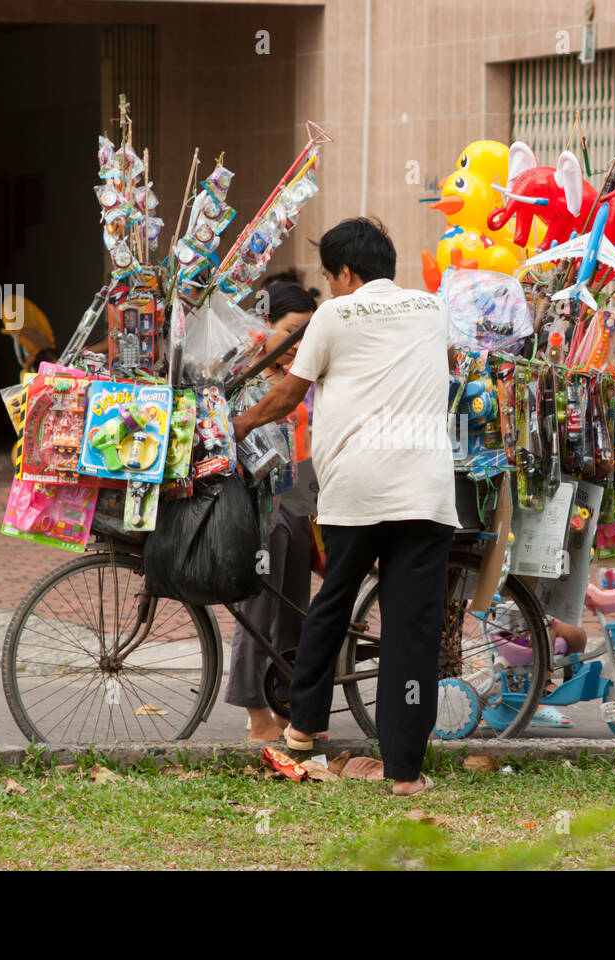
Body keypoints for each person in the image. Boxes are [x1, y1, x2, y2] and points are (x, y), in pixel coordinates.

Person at [232, 218, 458, 797]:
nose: (331, 288)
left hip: (354, 490)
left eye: (331, 276)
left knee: (331, 604)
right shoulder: (433, 309)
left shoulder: (335, 314)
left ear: (348, 273)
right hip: (424, 494)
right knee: (412, 631)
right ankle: (405, 774)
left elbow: (287, 394)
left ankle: (304, 728)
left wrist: (237, 424)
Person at [225, 282, 317, 742]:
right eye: (291, 332)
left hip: (298, 495)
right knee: (260, 605)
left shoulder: (298, 377)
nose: (298, 344)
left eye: (306, 334)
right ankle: (254, 706)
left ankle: (284, 698)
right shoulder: (244, 376)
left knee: (295, 607)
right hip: (261, 500)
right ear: (263, 328)